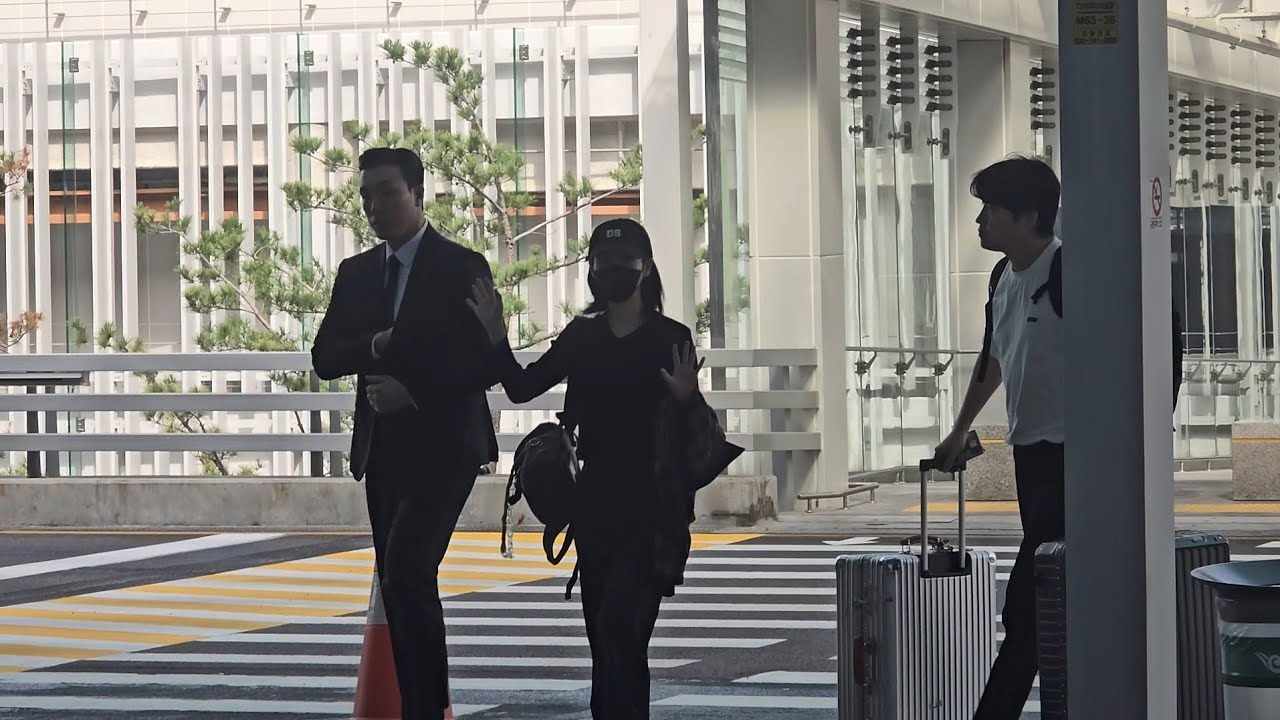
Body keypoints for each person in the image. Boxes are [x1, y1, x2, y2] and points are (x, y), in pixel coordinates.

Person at [467, 218, 729, 720]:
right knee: (606, 648)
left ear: (645, 269)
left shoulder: (670, 338)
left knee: (620, 637)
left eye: (622, 264)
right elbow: (522, 387)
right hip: (595, 510)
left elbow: (700, 439)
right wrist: (495, 335)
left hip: (652, 513)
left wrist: (687, 396)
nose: (610, 273)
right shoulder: (582, 336)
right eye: (601, 264)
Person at [311, 147, 503, 720]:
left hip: (447, 449)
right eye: (367, 195)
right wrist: (375, 346)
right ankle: (420, 704)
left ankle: (425, 710)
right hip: (385, 451)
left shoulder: (461, 266)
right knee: (399, 587)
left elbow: (480, 364)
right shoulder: (357, 273)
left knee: (410, 569)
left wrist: (412, 390)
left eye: (387, 193)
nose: (375, 206)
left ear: (418, 194)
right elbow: (324, 356)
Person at [932, 155, 1063, 720]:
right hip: (1030, 455)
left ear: (1028, 216)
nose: (980, 221)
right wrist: (959, 431)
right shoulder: (1002, 276)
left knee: (1032, 602)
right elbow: (993, 359)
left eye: (991, 209)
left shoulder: (1067, 271)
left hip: (1074, 458)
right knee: (1045, 601)